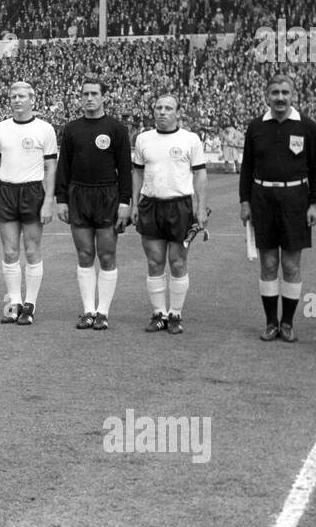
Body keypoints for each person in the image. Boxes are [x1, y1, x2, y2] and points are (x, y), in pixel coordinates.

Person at [238, 75, 316, 342]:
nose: (280, 97)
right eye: (275, 92)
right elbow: (247, 167)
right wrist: (245, 202)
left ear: (293, 94)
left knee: (290, 265)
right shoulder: (255, 127)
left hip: (295, 199)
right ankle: (270, 323)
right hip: (262, 198)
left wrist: (315, 203)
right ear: (266, 95)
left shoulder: (307, 126)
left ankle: (287, 323)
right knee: (269, 264)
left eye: (285, 92)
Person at [55, 77, 132, 330]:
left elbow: (125, 169)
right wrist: (62, 199)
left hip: (107, 196)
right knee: (85, 253)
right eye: (85, 93)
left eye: (94, 93)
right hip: (79, 195)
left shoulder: (116, 129)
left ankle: (103, 312)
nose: (89, 98)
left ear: (104, 97)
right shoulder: (71, 129)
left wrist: (124, 202)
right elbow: (63, 167)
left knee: (107, 254)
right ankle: (88, 310)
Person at [131, 95, 208, 335]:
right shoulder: (143, 139)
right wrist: (135, 204)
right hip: (151, 205)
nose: (162, 112)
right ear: (153, 111)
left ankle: (175, 313)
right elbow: (137, 173)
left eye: (168, 108)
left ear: (178, 112)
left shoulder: (190, 139)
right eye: (158, 108)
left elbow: (200, 174)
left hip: (180, 207)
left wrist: (201, 206)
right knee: (154, 262)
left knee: (177, 261)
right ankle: (158, 314)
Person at [0, 81, 57, 325]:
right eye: (13, 96)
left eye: (22, 96)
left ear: (32, 100)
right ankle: (13, 304)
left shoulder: (45, 129)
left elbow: (50, 167)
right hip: (5, 191)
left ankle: (30, 305)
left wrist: (48, 201)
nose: (17, 100)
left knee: (32, 250)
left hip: (33, 192)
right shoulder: (1, 128)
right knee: (9, 250)